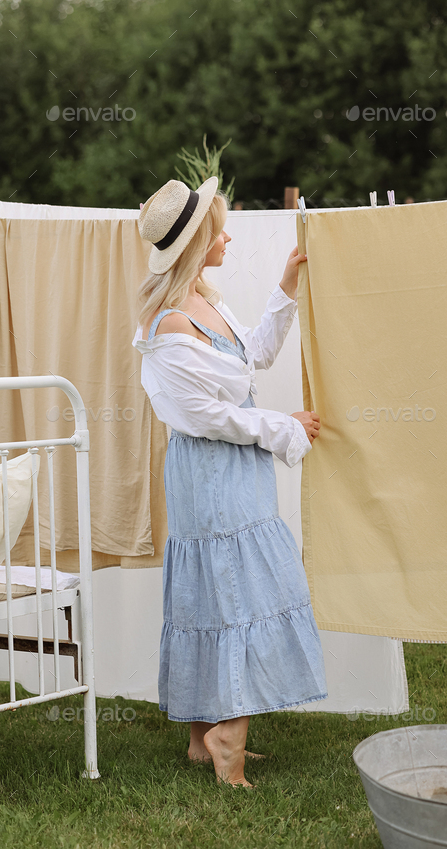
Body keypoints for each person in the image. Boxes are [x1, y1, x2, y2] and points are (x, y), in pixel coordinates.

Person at [132, 176, 328, 788]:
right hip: (210, 473)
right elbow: (208, 418)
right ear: (194, 243)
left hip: (234, 470)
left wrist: (286, 288)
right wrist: (283, 426)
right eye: (218, 229)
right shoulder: (167, 329)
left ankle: (200, 735)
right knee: (241, 595)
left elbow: (253, 361)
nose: (228, 235)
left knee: (215, 596)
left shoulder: (206, 302)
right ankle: (226, 738)